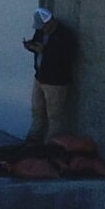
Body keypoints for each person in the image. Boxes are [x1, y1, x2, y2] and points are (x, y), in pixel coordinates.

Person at [25, 8, 76, 142]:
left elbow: (65, 57)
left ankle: (52, 145)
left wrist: (45, 50)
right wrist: (31, 46)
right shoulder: (40, 32)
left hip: (55, 82)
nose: (42, 30)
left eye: (44, 27)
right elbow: (38, 45)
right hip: (40, 77)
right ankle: (33, 139)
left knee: (54, 116)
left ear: (51, 22)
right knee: (37, 110)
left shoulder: (65, 35)